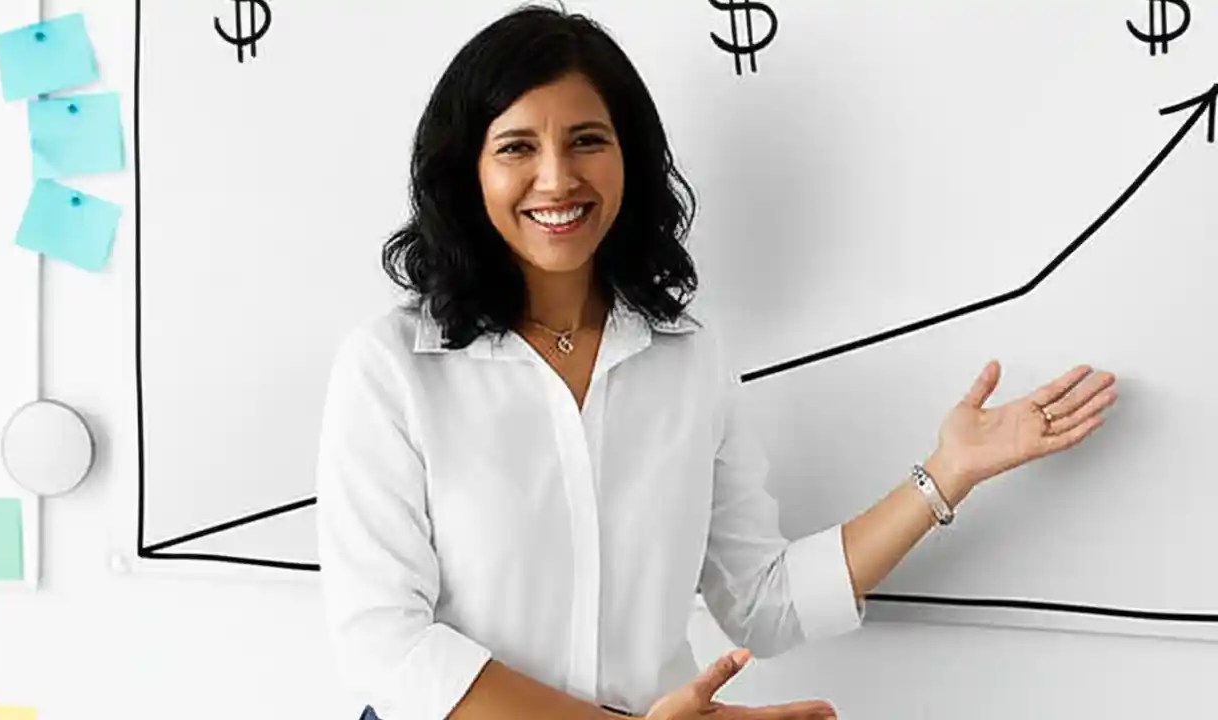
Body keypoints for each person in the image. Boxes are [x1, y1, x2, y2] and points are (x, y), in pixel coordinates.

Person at [313, 4, 1118, 719]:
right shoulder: (391, 368)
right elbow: (385, 643)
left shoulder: (690, 358)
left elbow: (762, 603)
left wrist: (947, 473)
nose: (556, 178)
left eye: (587, 141)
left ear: (629, 159)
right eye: (516, 147)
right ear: (468, 171)